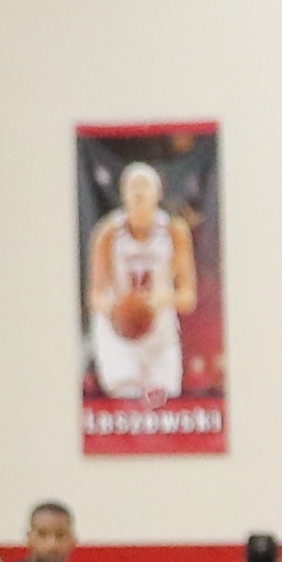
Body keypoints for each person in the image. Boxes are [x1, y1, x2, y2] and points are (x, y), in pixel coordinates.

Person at [84, 160, 196, 405]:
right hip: (119, 330)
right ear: (123, 194)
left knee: (162, 408)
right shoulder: (108, 233)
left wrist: (161, 300)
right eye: (132, 186)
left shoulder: (174, 231)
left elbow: (188, 297)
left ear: (158, 193)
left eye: (144, 185)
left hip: (159, 329)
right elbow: (95, 296)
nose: (138, 191)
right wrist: (120, 310)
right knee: (129, 404)